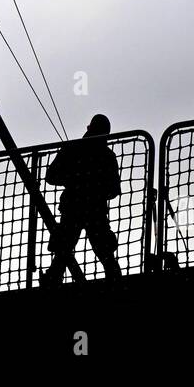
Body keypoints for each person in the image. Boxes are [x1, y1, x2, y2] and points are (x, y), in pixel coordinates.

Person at [39, 114, 123, 286]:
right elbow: (114, 190)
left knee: (64, 249)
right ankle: (116, 283)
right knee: (102, 251)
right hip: (94, 209)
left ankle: (52, 281)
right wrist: (96, 188)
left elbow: (51, 176)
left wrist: (73, 179)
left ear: (89, 128)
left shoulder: (72, 149)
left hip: (74, 207)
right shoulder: (107, 156)